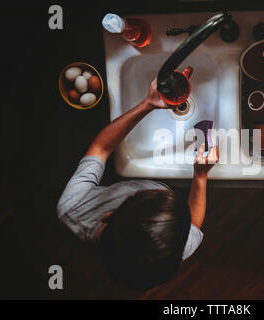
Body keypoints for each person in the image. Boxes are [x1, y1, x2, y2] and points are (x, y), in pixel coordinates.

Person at [57, 79, 218, 289]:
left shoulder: (72, 207)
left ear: (108, 215)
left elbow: (100, 149)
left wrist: (147, 104)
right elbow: (194, 224)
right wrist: (200, 176)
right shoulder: (173, 248)